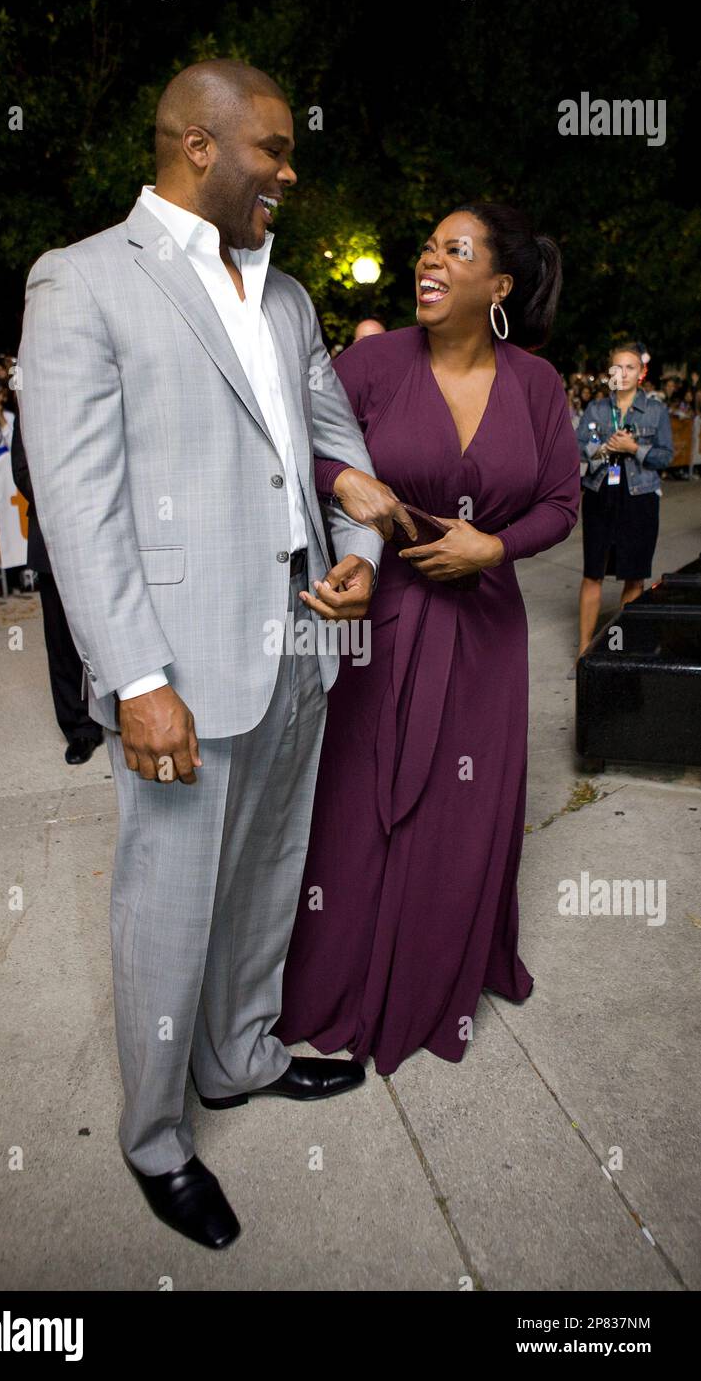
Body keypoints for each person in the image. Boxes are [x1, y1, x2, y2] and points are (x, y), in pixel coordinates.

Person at [18, 58, 408, 1251]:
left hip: (301, 642)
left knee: (263, 874)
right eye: (273, 150)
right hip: (178, 666)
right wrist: (136, 680)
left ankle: (240, 1058)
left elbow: (336, 448)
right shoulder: (81, 281)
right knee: (165, 904)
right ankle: (156, 1138)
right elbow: (78, 508)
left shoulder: (284, 298)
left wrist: (360, 552)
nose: (290, 172)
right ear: (199, 144)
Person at [272, 201, 581, 1077]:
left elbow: (561, 502)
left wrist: (496, 545)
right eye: (426, 247)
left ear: (499, 285)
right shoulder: (371, 363)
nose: (430, 261)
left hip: (486, 633)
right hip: (385, 615)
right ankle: (339, 980)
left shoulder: (537, 384)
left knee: (461, 809)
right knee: (357, 798)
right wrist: (349, 493)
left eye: (457, 250)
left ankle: (434, 974)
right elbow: (306, 450)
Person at [10, 413, 104, 764]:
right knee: (62, 641)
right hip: (52, 537)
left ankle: (122, 712)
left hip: (106, 531)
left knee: (110, 630)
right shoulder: (30, 406)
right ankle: (80, 727)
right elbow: (23, 473)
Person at [575, 342, 674, 662]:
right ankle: (585, 649)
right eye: (617, 367)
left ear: (640, 373)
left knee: (634, 574)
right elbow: (577, 448)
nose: (623, 373)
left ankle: (619, 646)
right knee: (593, 572)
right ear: (610, 372)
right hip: (600, 494)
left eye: (630, 367)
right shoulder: (597, 409)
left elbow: (665, 456)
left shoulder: (656, 410)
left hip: (640, 498)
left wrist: (635, 448)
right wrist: (602, 449)